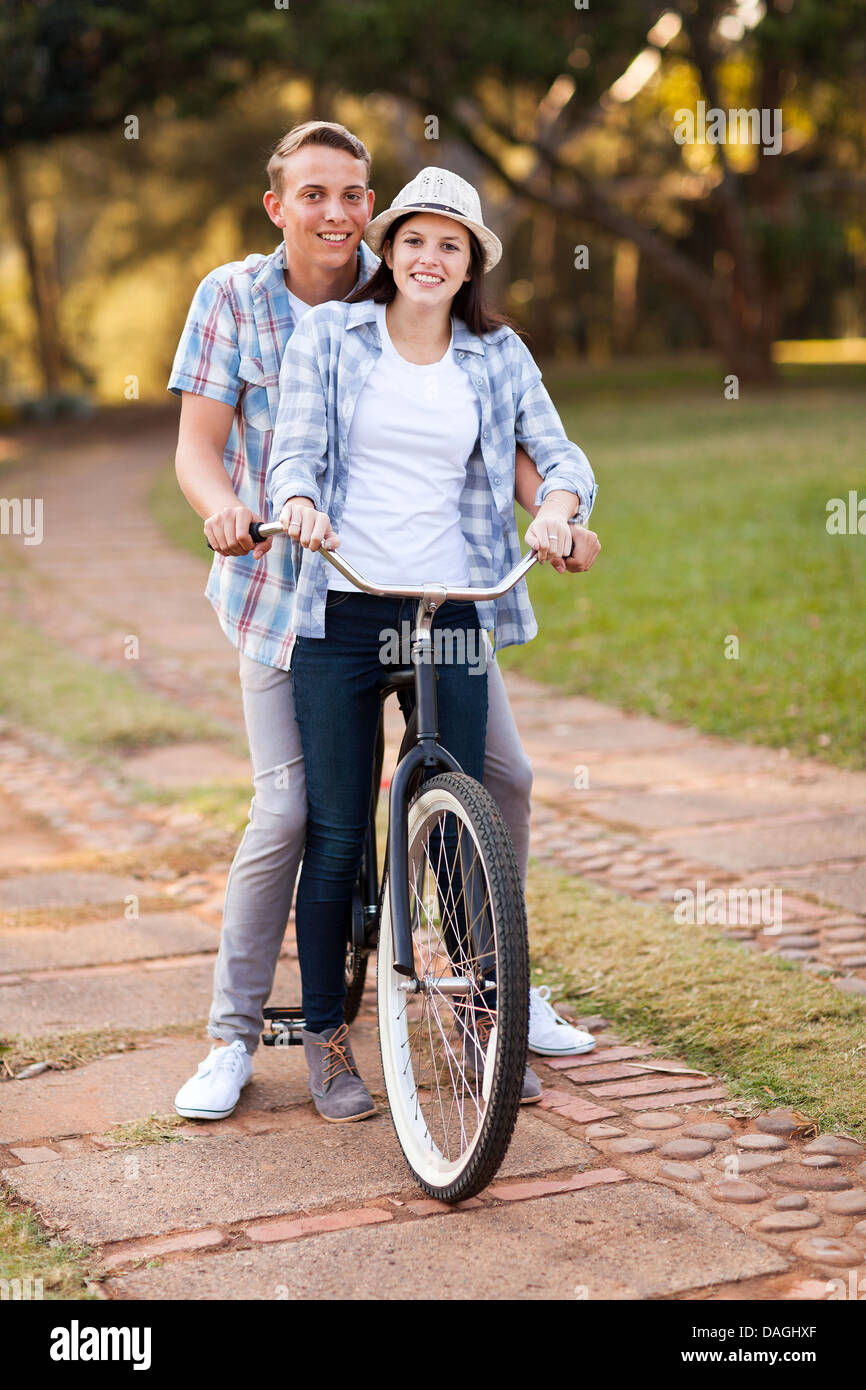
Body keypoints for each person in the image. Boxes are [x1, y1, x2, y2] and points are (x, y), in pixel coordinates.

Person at [170, 124, 600, 1123]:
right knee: (307, 821)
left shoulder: (479, 342)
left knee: (483, 791)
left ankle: (492, 1000)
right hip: (306, 593)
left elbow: (545, 454)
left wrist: (561, 511)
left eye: (353, 195)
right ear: (276, 204)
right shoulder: (268, 310)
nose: (341, 215)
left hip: (447, 607)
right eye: (313, 194)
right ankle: (256, 1035)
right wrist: (260, 505)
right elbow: (265, 450)